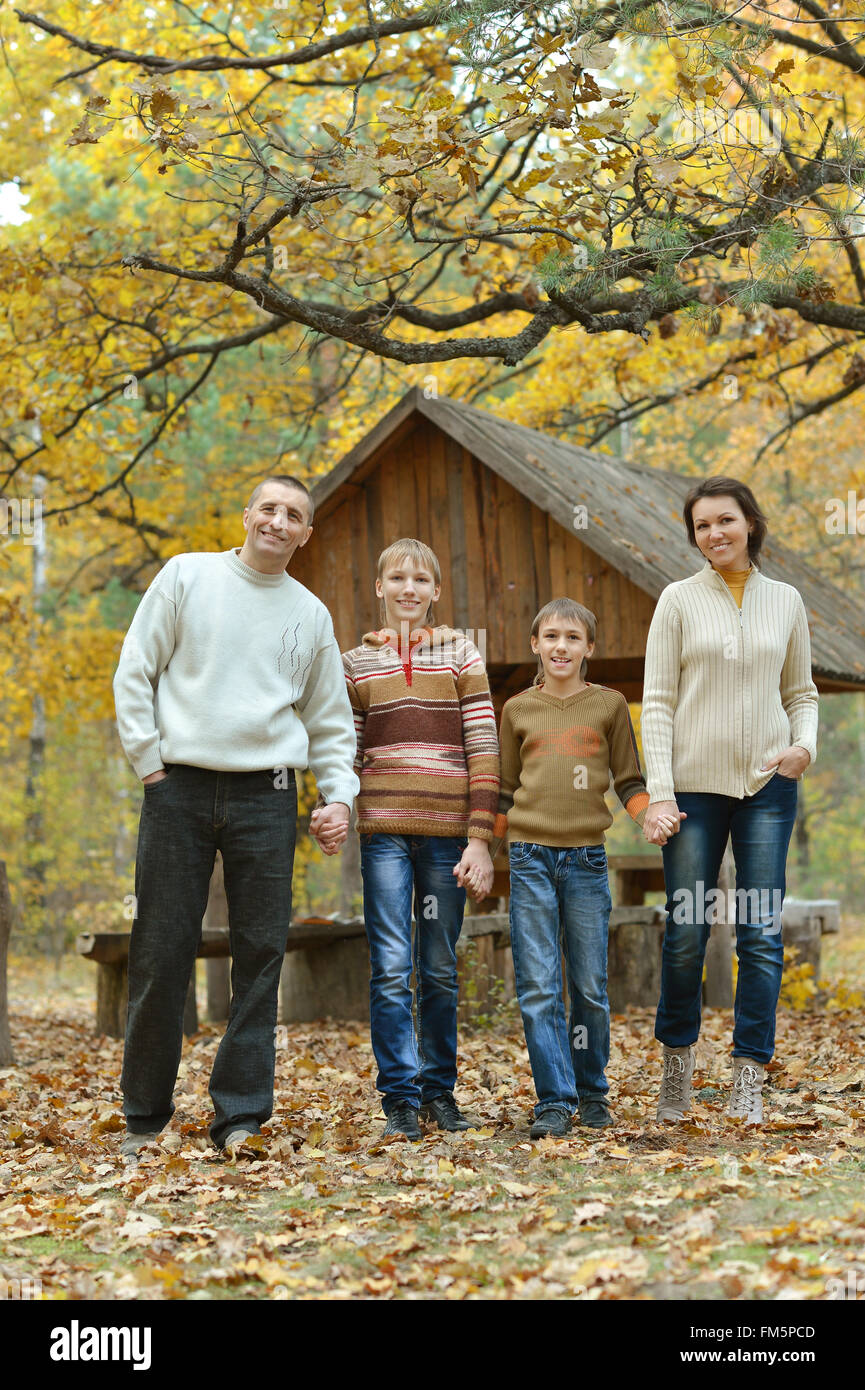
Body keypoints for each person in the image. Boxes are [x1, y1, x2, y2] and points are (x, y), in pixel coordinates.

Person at [112, 476, 358, 1161]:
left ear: (306, 534)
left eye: (294, 517)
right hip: (177, 789)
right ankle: (144, 1115)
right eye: (270, 509)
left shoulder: (309, 615)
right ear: (248, 515)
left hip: (267, 795)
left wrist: (337, 794)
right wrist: (150, 765)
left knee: (260, 954)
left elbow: (330, 722)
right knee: (162, 950)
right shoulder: (187, 576)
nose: (279, 522)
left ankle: (240, 1116)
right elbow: (135, 669)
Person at [641, 476, 818, 1126]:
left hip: (768, 788)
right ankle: (676, 1072)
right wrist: (659, 793)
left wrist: (802, 747)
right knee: (686, 930)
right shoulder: (678, 601)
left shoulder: (785, 600)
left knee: (760, 932)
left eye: (724, 521)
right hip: (692, 791)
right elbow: (656, 703)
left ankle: (748, 1077)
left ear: (748, 522)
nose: (714, 534)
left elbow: (801, 692)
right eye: (701, 526)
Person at [337, 539, 499, 1141]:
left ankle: (440, 1091)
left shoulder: (460, 655)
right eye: (397, 578)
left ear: (435, 592)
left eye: (421, 580)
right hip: (383, 833)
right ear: (380, 588)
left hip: (447, 836)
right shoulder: (354, 664)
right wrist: (336, 805)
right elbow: (345, 753)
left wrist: (479, 839)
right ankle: (399, 1098)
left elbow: (483, 748)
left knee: (437, 965)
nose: (409, 588)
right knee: (390, 966)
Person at [491, 598, 659, 1137]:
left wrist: (647, 817)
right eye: (550, 637)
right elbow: (503, 790)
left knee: (588, 985)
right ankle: (554, 1100)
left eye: (571, 637)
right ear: (536, 645)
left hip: (586, 860)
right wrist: (482, 850)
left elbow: (629, 780)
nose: (560, 646)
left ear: (589, 647)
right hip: (529, 859)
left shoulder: (608, 706)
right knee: (539, 985)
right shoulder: (517, 709)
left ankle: (591, 1092)